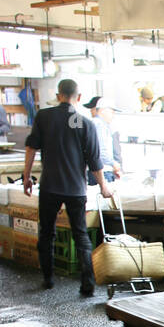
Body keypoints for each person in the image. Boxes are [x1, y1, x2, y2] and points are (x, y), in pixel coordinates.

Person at [23, 78, 114, 297]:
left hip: (50, 187)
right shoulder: (86, 123)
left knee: (47, 233)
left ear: (58, 95)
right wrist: (104, 186)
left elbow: (30, 147)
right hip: (75, 189)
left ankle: (48, 279)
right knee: (80, 235)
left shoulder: (44, 117)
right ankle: (88, 283)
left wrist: (26, 176)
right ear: (79, 98)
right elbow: (94, 161)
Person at [84, 98, 122, 185]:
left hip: (96, 170)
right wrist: (113, 163)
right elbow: (100, 150)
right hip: (102, 172)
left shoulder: (94, 124)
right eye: (112, 112)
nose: (113, 115)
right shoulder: (99, 125)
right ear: (103, 110)